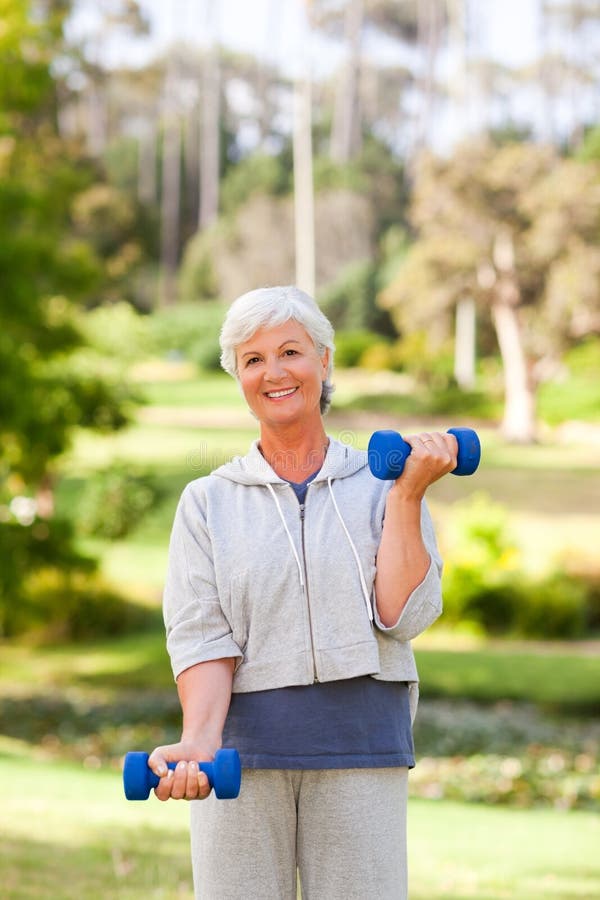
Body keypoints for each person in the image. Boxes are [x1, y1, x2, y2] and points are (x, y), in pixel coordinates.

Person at [149, 285, 458, 900]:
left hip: (361, 751)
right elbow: (202, 635)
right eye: (253, 360)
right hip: (240, 762)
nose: (274, 372)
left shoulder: (383, 483)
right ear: (238, 377)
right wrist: (199, 742)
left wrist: (407, 496)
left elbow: (402, 615)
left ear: (324, 360)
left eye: (290, 351)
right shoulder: (208, 503)